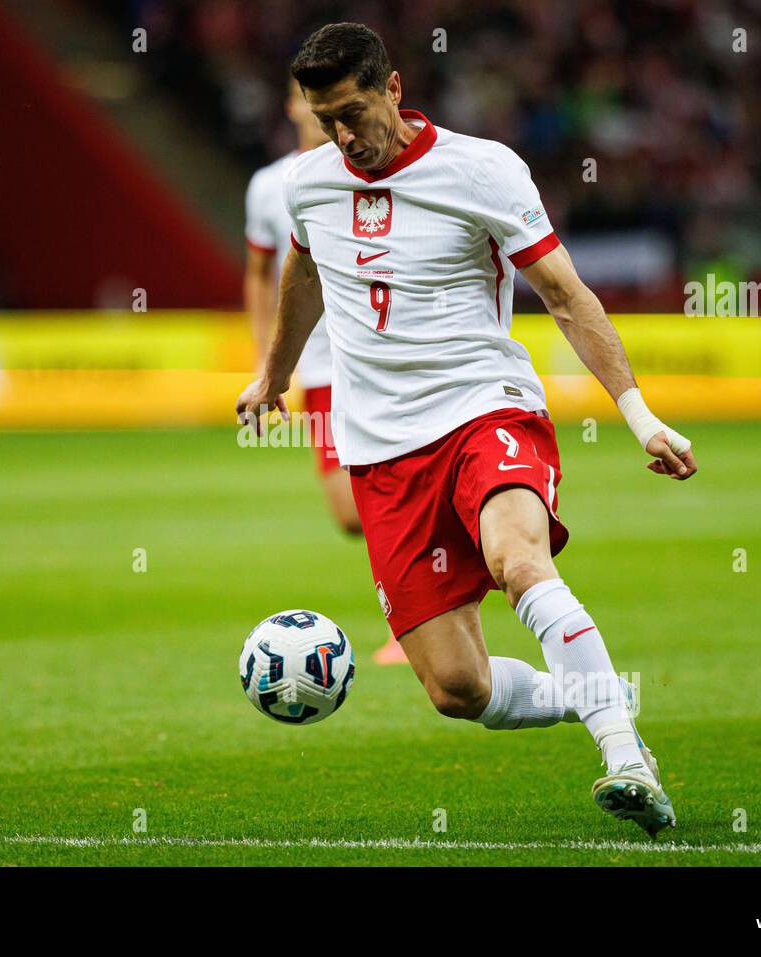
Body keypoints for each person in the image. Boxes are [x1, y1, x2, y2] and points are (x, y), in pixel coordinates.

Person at [235, 23, 697, 837]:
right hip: (382, 448)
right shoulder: (306, 185)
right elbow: (301, 274)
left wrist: (639, 413)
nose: (343, 136)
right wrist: (272, 377)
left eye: (352, 113)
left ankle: (626, 756)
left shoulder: (481, 169)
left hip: (486, 408)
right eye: (323, 118)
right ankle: (591, 690)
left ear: (393, 90)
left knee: (518, 559)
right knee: (458, 689)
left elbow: (565, 294)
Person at [244, 74, 407, 665]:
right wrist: (269, 363)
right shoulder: (272, 186)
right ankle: (442, 558)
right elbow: (262, 275)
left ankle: (416, 619)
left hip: (369, 360)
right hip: (314, 369)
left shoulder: (377, 170)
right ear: (294, 105)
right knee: (348, 511)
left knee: (375, 494)